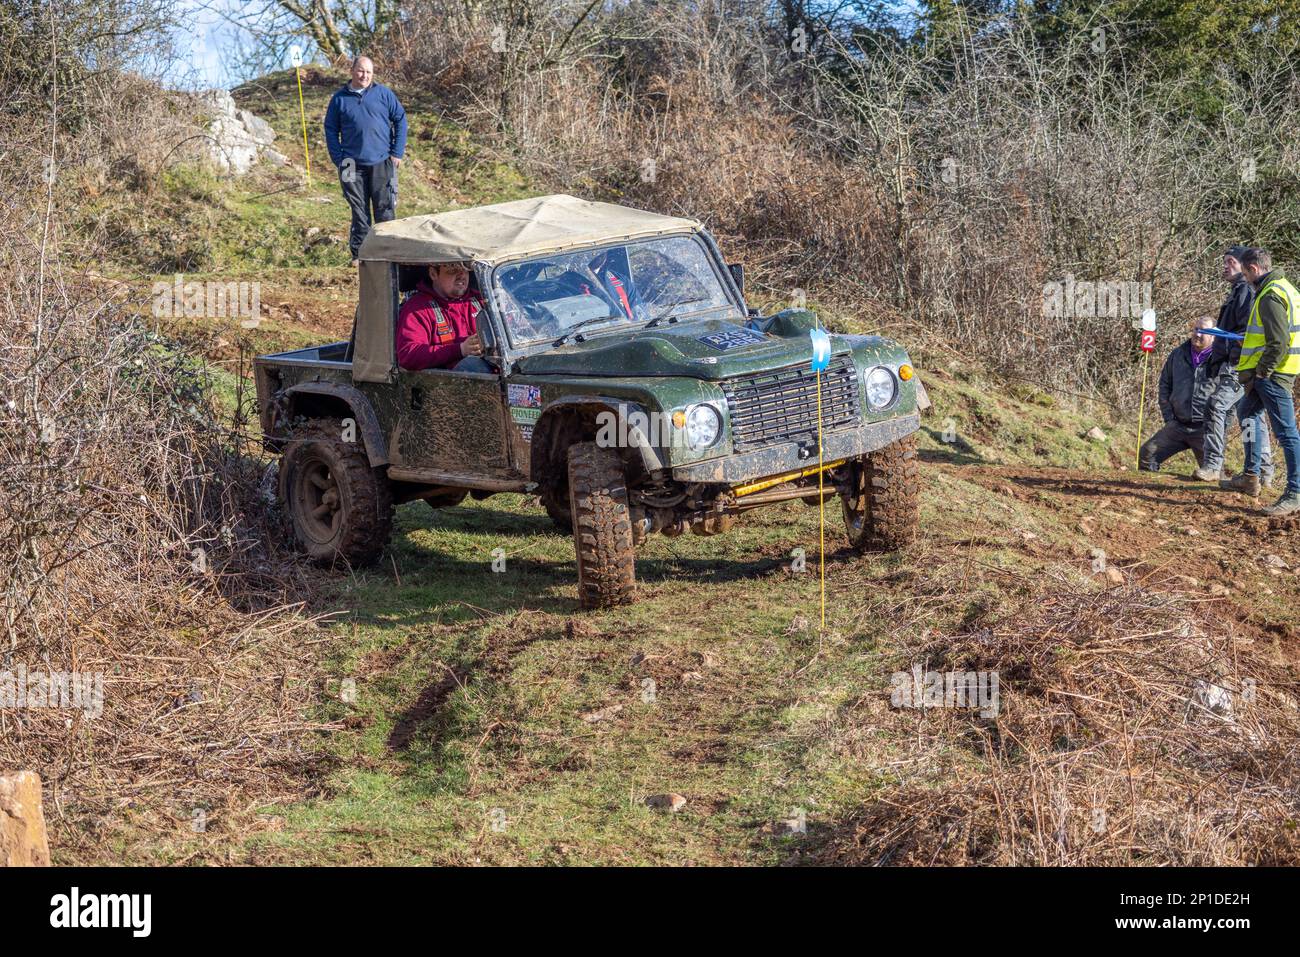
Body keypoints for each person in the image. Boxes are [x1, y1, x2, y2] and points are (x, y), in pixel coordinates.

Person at [1224, 247, 1300, 514]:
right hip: (1269, 372)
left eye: (1244, 272)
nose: (1243, 276)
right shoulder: (1285, 288)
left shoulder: (1270, 295)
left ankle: (1294, 492)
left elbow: (1278, 342)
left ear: (1253, 269)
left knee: (1287, 433)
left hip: (1272, 374)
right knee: (1246, 412)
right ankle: (1250, 476)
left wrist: (1262, 372)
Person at [1196, 245, 1274, 485]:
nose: (1225, 266)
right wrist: (1215, 358)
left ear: (1245, 265)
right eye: (1224, 261)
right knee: (1252, 417)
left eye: (1231, 261)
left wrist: (1227, 350)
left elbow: (1245, 332)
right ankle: (1264, 471)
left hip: (1242, 365)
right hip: (1240, 364)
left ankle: (1212, 465)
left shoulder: (1246, 292)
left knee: (1216, 405)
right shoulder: (1238, 291)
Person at [323, 56, 408, 264]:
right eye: (361, 71)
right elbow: (331, 129)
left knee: (385, 208)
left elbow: (400, 119)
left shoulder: (383, 94)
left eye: (369, 72)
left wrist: (396, 152)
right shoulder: (339, 99)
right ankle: (360, 255)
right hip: (350, 164)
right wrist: (339, 158)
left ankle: (389, 254)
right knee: (358, 210)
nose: (365, 76)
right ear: (352, 71)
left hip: (382, 162)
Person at [1139, 316, 1219, 473]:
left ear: (1214, 336)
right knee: (1146, 455)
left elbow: (1230, 394)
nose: (1198, 334)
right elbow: (1164, 385)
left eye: (1204, 331)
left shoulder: (1221, 359)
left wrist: (1219, 424)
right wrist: (1169, 417)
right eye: (1196, 329)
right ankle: (1147, 490)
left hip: (1206, 429)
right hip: (1177, 425)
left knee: (1213, 472)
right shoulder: (1178, 354)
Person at [395, 262, 491, 372]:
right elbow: (408, 355)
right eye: (452, 270)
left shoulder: (482, 299)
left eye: (465, 269)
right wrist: (460, 349)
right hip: (445, 383)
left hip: (490, 372)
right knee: (472, 365)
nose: (461, 276)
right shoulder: (417, 308)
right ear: (433, 274)